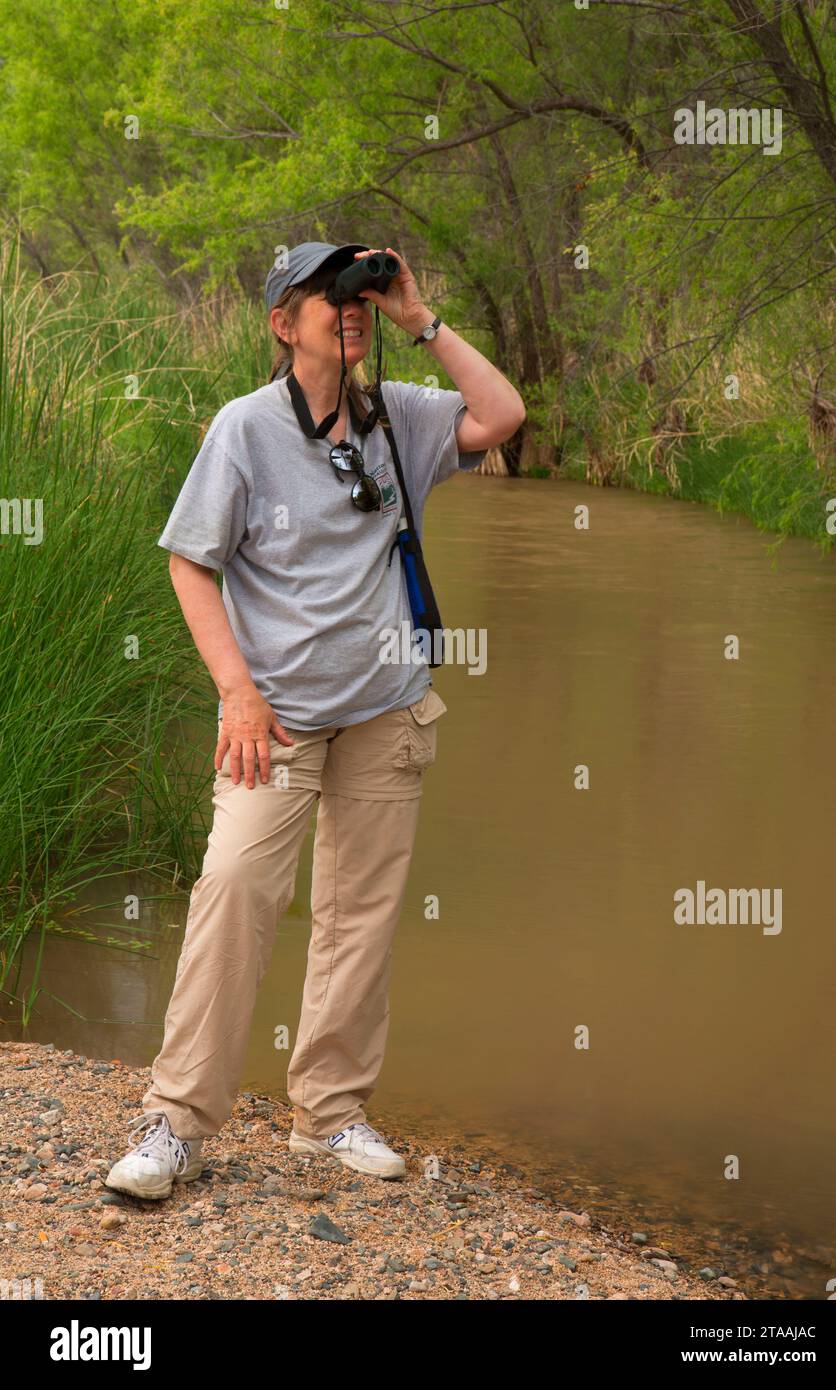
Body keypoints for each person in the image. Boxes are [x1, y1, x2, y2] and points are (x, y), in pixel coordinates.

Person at [105, 241, 525, 1198]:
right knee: (233, 895)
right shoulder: (246, 429)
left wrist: (420, 317)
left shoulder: (401, 418)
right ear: (281, 324)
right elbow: (190, 562)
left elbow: (503, 417)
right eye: (323, 296)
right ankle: (175, 1125)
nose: (348, 308)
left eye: (358, 294)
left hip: (386, 709)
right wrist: (236, 693)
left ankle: (329, 1117)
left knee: (360, 917)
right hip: (276, 719)